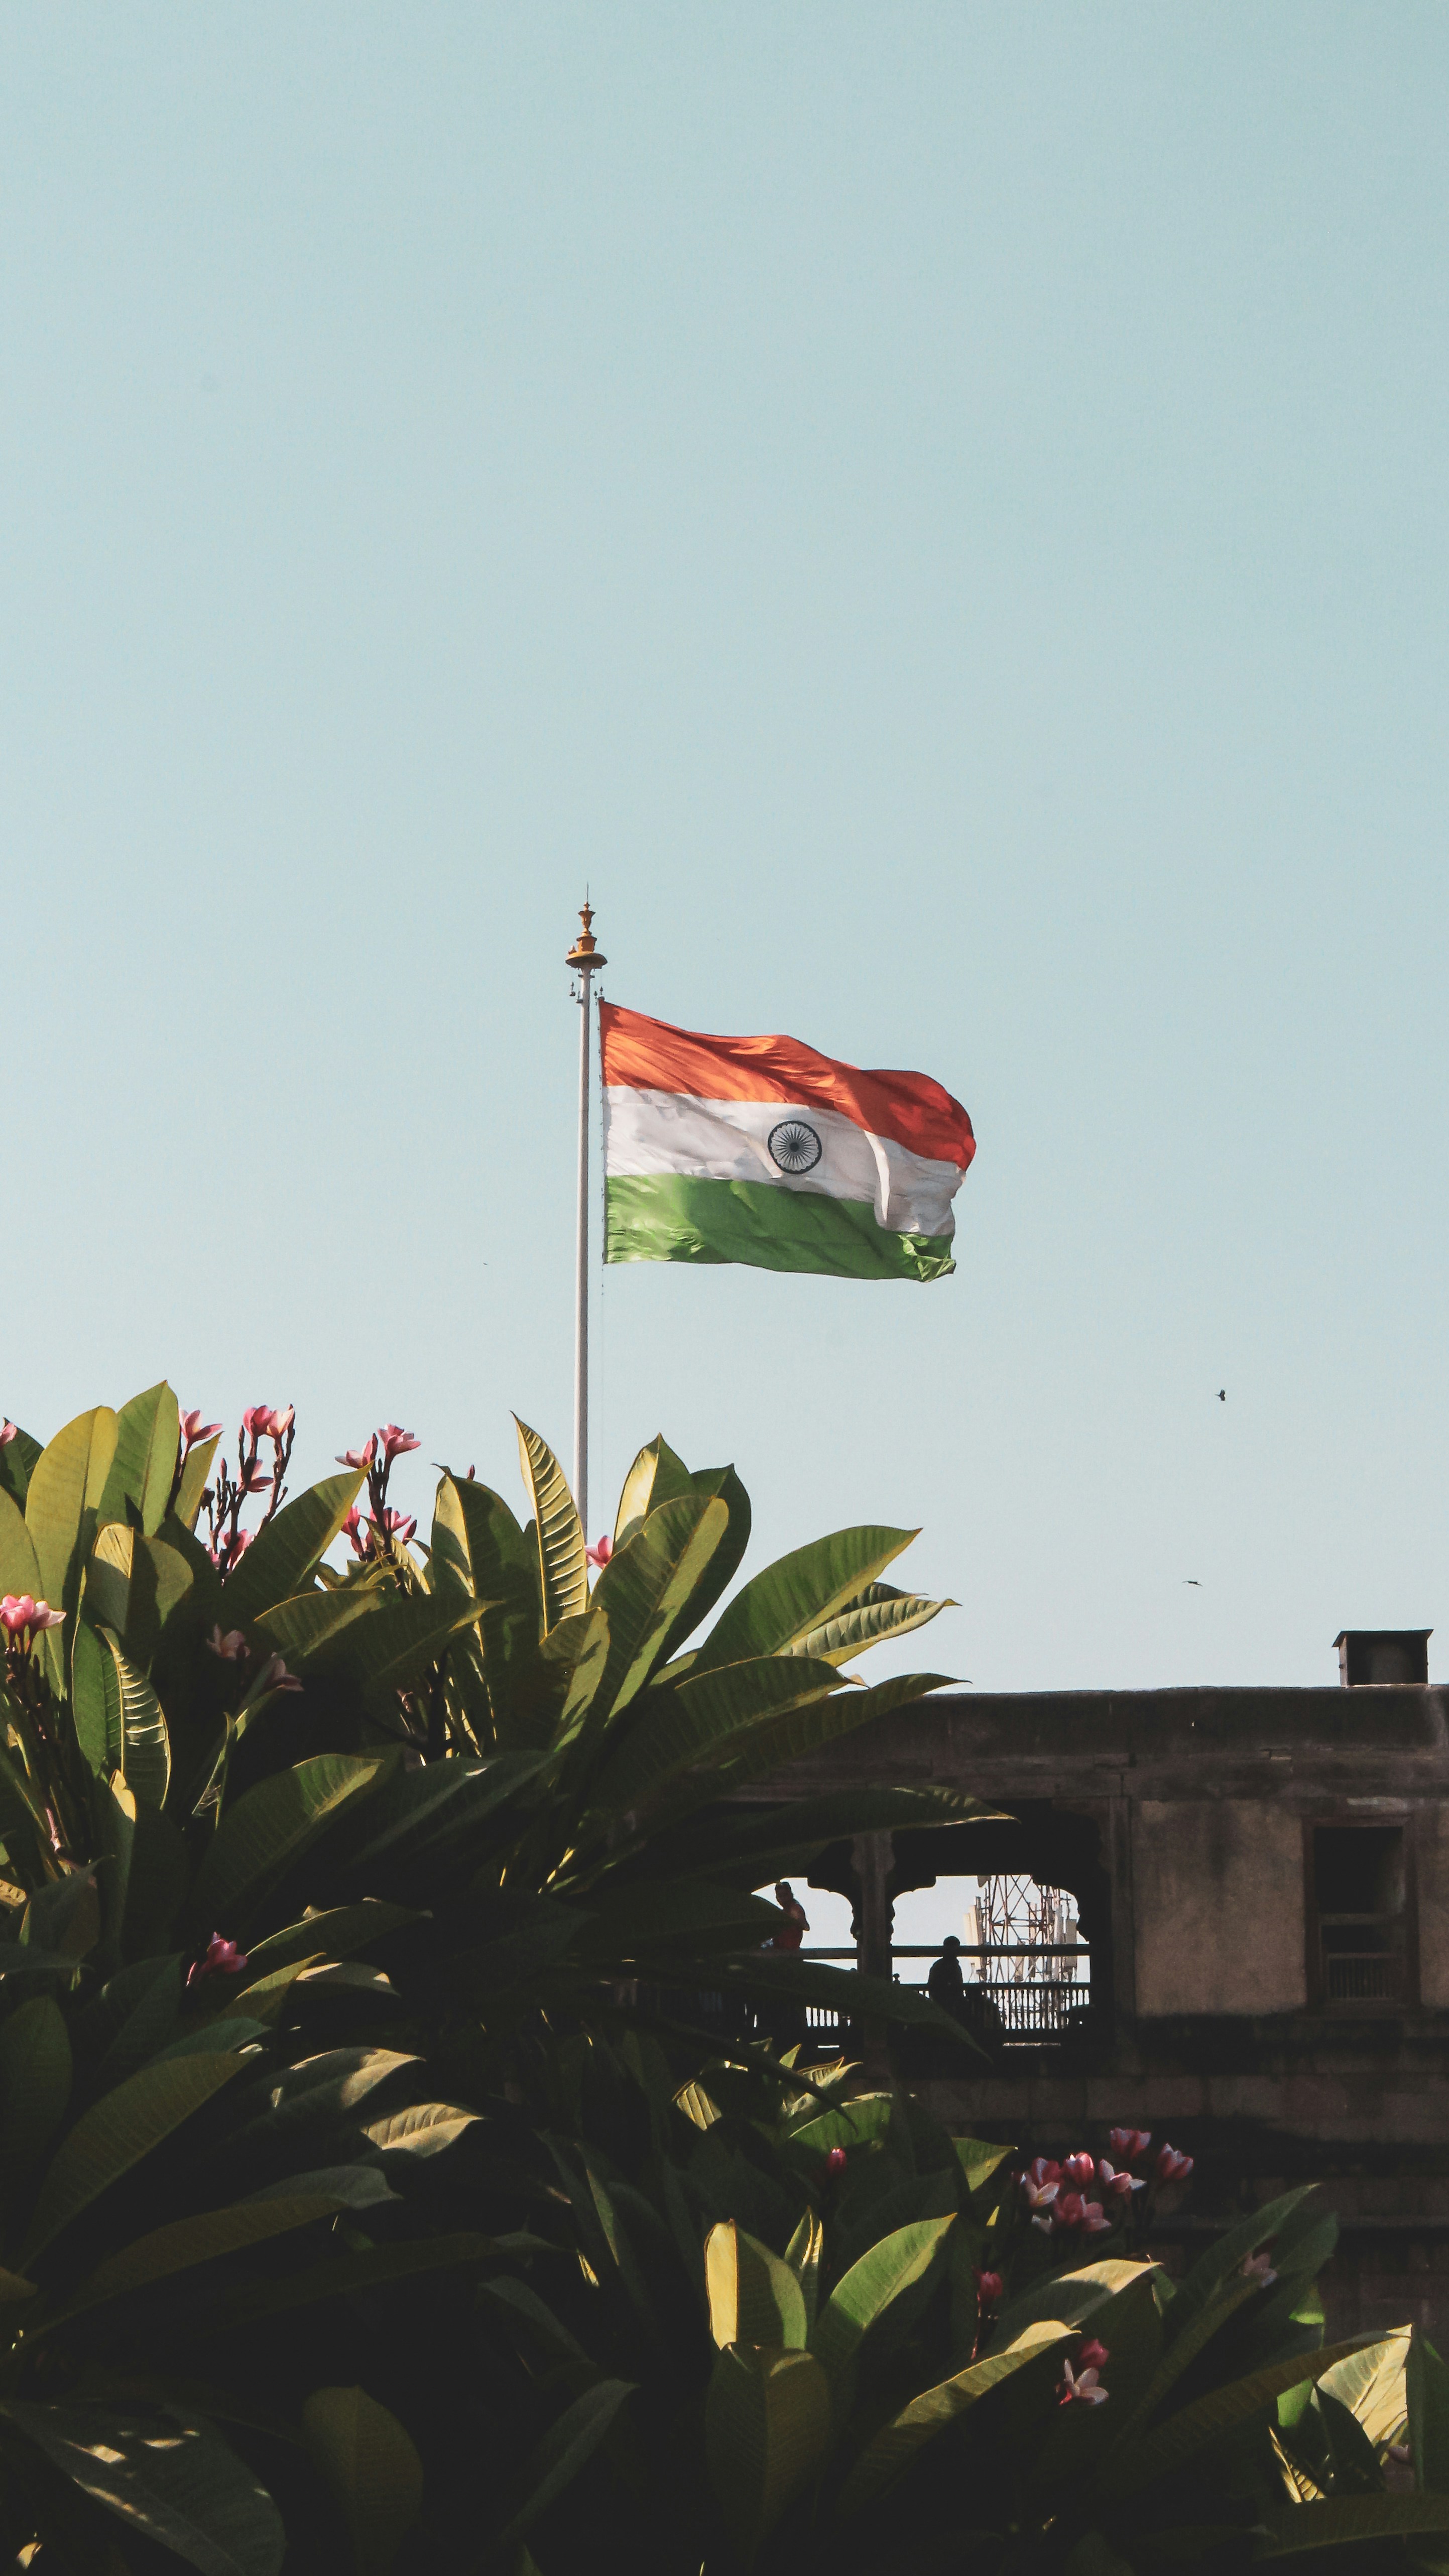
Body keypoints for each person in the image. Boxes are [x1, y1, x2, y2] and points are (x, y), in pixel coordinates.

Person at [770, 1882, 808, 1951]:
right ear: (777, 1898)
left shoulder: (795, 1909)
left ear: (791, 1895)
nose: (783, 1899)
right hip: (780, 1946)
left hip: (790, 1946)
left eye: (785, 1895)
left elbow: (806, 1927)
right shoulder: (783, 1912)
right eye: (780, 1896)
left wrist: (797, 1919)